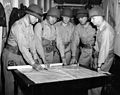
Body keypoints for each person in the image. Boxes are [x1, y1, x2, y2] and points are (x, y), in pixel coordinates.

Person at [2, 4, 43, 95]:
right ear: (30, 15)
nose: (37, 21)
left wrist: (35, 58)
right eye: (36, 18)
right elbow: (23, 48)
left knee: (23, 83)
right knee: (10, 83)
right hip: (11, 55)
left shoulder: (30, 26)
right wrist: (33, 63)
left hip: (22, 56)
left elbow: (32, 44)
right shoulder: (18, 25)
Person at [88, 6, 115, 95]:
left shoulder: (106, 30)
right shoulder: (100, 27)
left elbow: (104, 49)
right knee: (92, 81)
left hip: (104, 59)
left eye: (93, 18)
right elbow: (97, 44)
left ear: (100, 17)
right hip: (99, 56)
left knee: (96, 83)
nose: (91, 21)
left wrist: (99, 66)